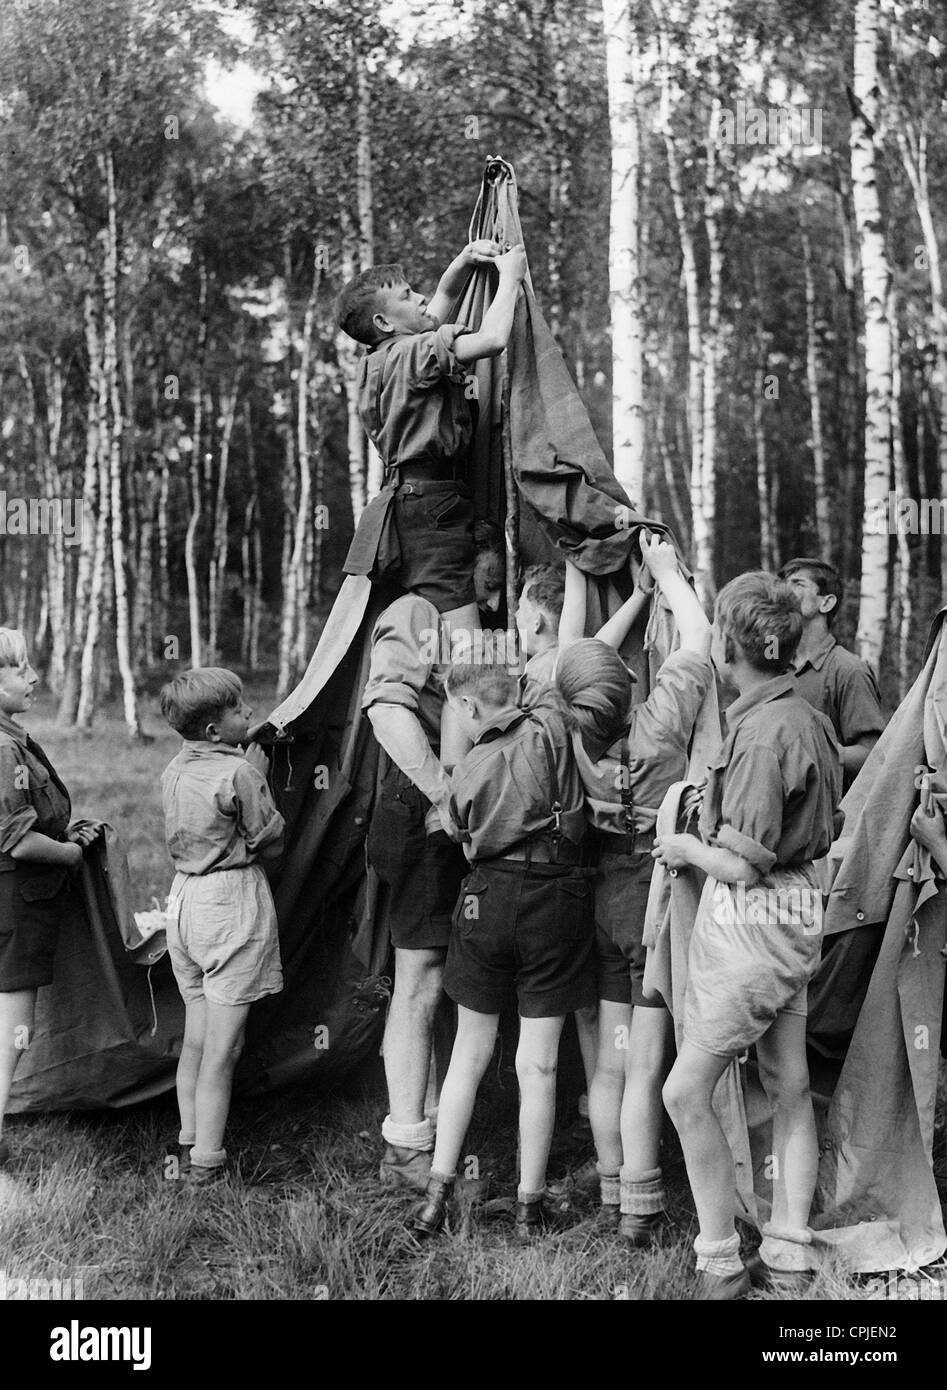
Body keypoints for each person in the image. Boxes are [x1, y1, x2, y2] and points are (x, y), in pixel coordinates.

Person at [654, 572, 842, 1299]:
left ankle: (719, 1262)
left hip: (754, 915)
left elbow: (741, 861)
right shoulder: (802, 712)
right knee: (789, 1083)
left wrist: (686, 850)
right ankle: (790, 1256)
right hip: (796, 911)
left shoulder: (765, 732)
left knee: (682, 1092)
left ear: (729, 645)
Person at [555, 535, 712, 1242]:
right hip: (653, 901)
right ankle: (641, 1208)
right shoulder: (658, 727)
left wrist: (636, 595)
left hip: (603, 897)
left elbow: (573, 660)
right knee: (648, 1063)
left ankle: (614, 1191)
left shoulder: (565, 728)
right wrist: (667, 577)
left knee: (612, 1064)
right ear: (626, 685)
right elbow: (702, 634)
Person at [410, 651, 595, 1241]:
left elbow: (458, 839)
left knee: (469, 1050)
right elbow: (551, 668)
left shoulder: (466, 772)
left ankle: (435, 1198)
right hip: (555, 899)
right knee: (538, 1063)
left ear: (464, 707)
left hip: (485, 899)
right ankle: (528, 1208)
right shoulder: (553, 727)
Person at [362, 529, 509, 1192]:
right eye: (489, 573)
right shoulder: (418, 612)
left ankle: (436, 1129)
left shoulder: (480, 622)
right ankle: (406, 1146)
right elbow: (387, 711)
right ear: (459, 563)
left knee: (446, 976)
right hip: (424, 812)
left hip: (460, 812)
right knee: (417, 977)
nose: (496, 587)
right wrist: (446, 792)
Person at [159, 668, 285, 1183]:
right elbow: (271, 838)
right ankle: (206, 1163)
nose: (250, 712)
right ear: (214, 731)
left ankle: (187, 1137)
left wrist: (239, 751)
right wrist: (250, 771)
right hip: (229, 902)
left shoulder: (173, 769)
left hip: (183, 902)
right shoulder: (241, 775)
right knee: (224, 1049)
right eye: (239, 709)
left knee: (196, 1037)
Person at [0, 628, 101, 1165]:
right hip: (16, 900)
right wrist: (69, 854)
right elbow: (17, 839)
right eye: (19, 670)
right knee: (12, 1033)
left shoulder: (11, 737)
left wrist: (65, 834)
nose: (33, 677)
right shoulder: (2, 746)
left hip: (16, 900)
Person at [778, 558, 885, 788]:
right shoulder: (774, 664)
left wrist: (812, 753)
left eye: (798, 584)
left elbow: (872, 755)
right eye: (784, 583)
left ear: (826, 603)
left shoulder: (849, 670)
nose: (785, 591)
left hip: (828, 818)